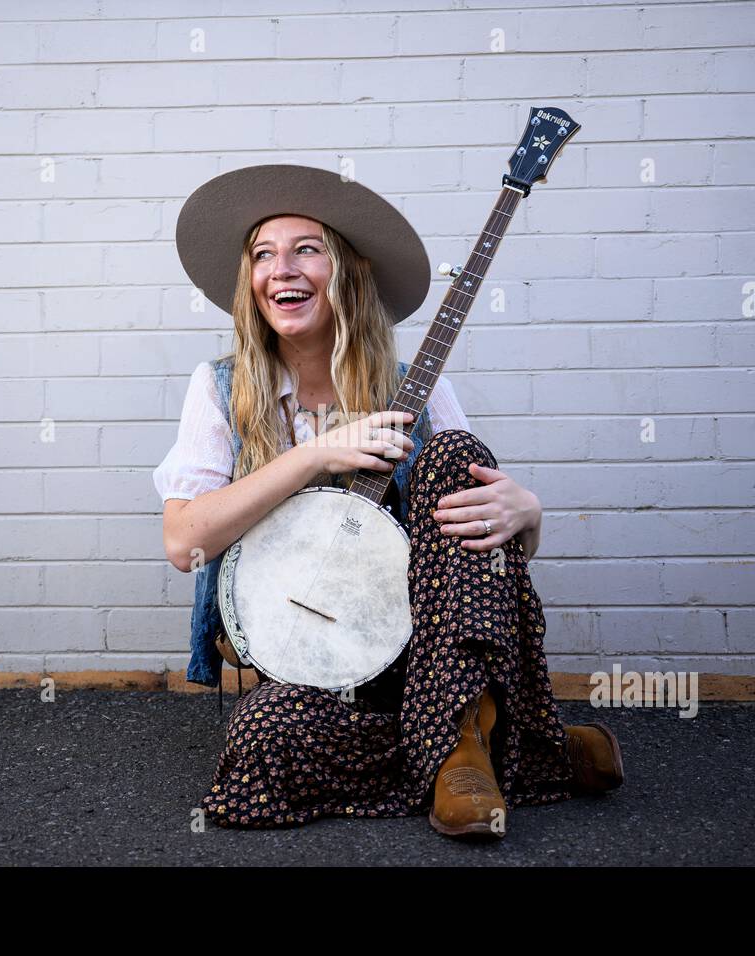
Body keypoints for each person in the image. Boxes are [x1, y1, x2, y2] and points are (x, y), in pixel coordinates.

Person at [154, 164, 623, 840]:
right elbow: (182, 543)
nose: (280, 268)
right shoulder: (220, 389)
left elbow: (484, 551)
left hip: (423, 647)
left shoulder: (414, 387)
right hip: (303, 658)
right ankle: (520, 747)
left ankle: (465, 745)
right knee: (259, 743)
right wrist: (314, 454)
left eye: (306, 248)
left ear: (350, 271)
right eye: (263, 254)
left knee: (454, 461)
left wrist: (528, 516)